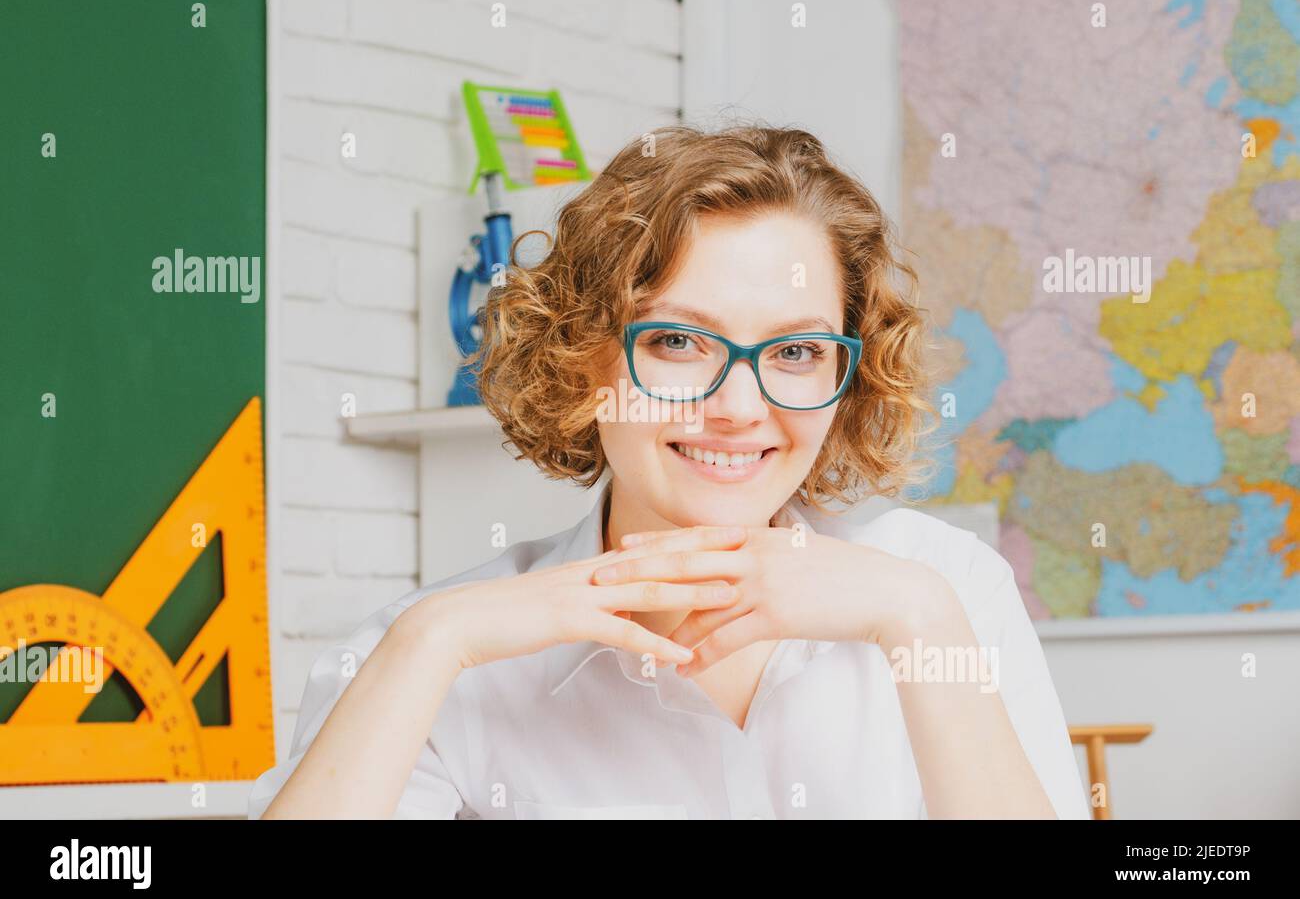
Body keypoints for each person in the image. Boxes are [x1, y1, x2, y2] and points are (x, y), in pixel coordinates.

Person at [250, 125, 1090, 820]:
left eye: (796, 351)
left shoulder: (946, 591)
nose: (736, 406)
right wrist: (427, 641)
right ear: (585, 360)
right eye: (679, 342)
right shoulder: (436, 654)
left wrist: (918, 617)